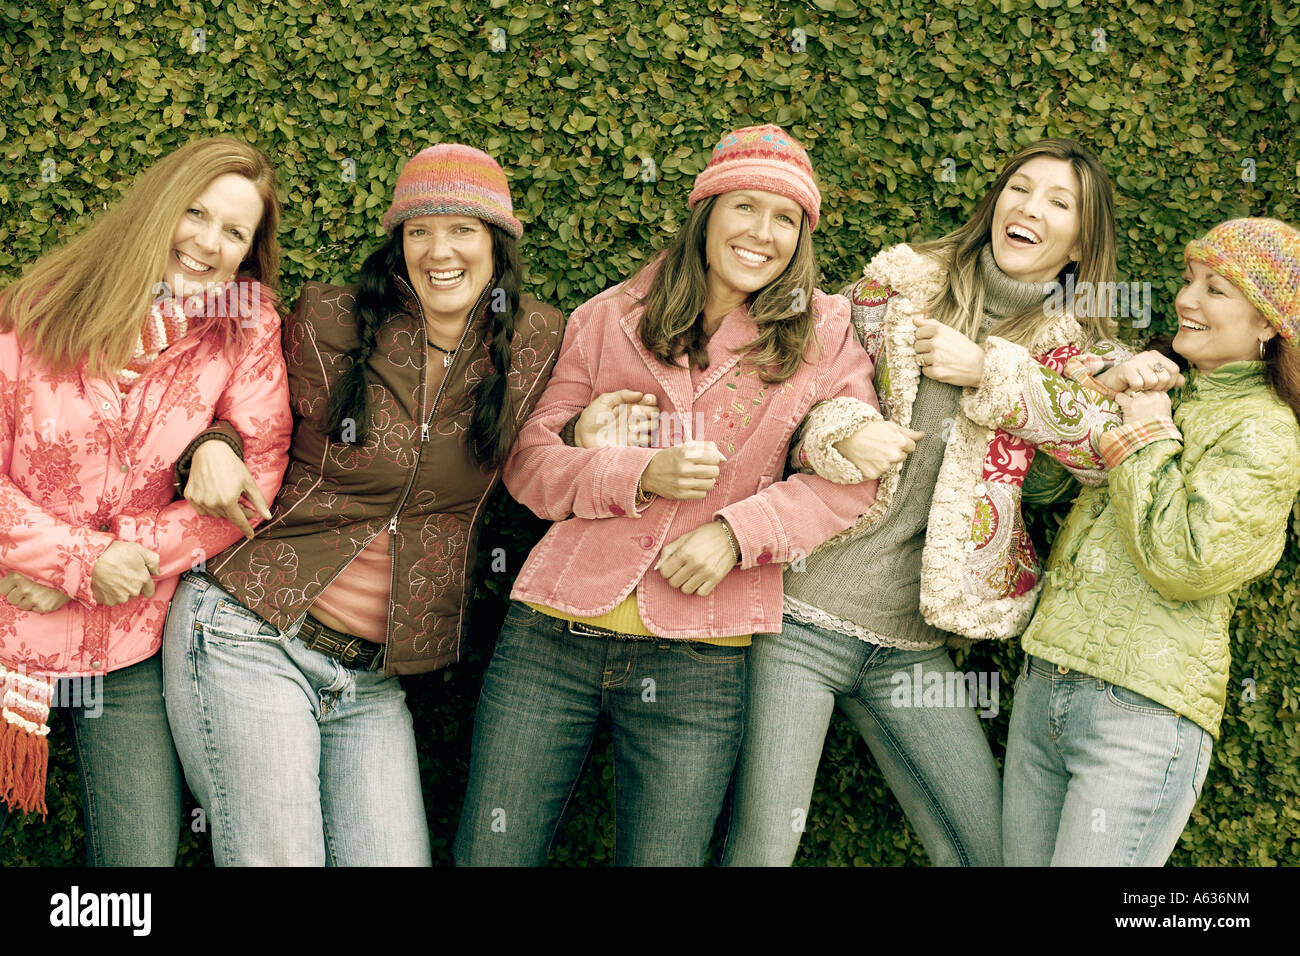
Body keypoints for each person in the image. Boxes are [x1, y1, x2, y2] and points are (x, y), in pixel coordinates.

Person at [453, 124, 882, 866]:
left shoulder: (823, 334)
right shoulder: (609, 317)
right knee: (492, 853)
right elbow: (529, 466)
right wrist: (635, 475)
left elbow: (850, 478)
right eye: (745, 206)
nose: (763, 233)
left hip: (700, 659)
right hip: (552, 633)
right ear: (706, 213)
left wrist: (738, 534)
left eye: (786, 218)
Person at [722, 137, 1153, 866]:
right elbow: (800, 389)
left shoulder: (1076, 354)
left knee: (987, 853)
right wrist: (845, 431)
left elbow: (1106, 451)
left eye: (1059, 203)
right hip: (800, 617)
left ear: (1082, 241)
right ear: (997, 200)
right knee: (766, 846)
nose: (1030, 208)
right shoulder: (900, 286)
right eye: (1020, 188)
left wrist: (990, 371)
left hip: (912, 646)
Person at [160, 143, 566, 865]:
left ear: (498, 242)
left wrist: (596, 426)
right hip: (249, 633)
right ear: (399, 243)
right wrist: (213, 444)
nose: (439, 251)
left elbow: (580, 404)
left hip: (370, 680)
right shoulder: (332, 319)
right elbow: (234, 398)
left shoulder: (535, 341)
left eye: (463, 229)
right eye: (419, 231)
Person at [0, 136, 291, 865]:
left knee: (140, 862)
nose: (209, 244)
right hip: (10, 597)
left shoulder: (247, 329)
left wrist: (117, 560)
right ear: (160, 207)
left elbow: (258, 478)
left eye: (235, 232)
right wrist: (76, 561)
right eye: (196, 213)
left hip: (126, 635)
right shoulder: (40, 309)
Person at [1002, 217, 1300, 866]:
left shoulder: (1267, 430)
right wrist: (1093, 400)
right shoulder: (1162, 387)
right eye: (1190, 280)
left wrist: (1144, 431)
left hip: (1141, 713)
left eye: (1216, 289)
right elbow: (1042, 492)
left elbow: (1186, 562)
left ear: (1267, 323)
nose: (1186, 298)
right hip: (1046, 679)